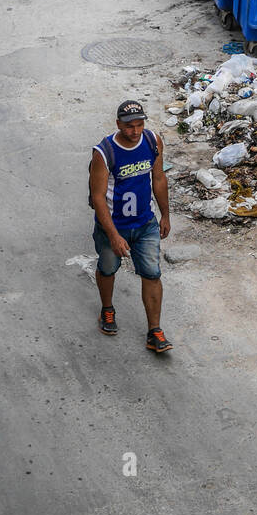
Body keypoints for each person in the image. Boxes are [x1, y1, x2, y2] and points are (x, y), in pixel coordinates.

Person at [89, 100, 173, 354]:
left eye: (139, 124)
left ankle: (154, 331)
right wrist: (113, 235)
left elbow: (158, 179)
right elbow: (98, 197)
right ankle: (107, 309)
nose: (135, 131)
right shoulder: (104, 153)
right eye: (129, 126)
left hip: (145, 223)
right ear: (118, 125)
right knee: (107, 268)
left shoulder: (152, 142)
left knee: (152, 273)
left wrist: (165, 215)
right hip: (113, 226)